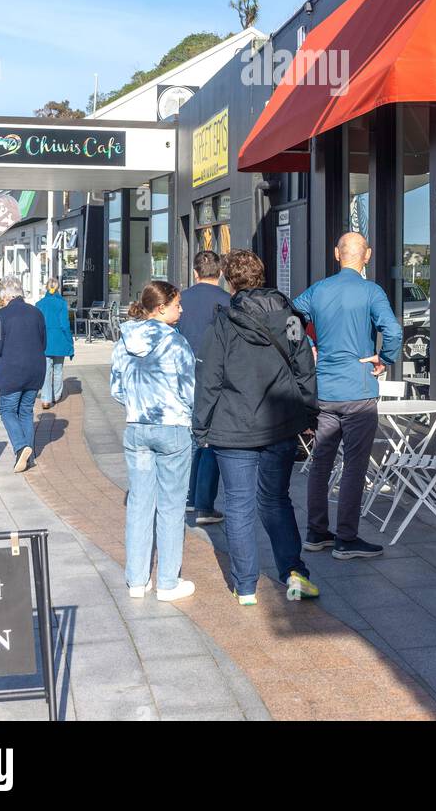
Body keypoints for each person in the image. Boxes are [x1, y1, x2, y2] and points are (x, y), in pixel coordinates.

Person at [193, 248, 318, 606]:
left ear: (229, 282)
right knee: (276, 499)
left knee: (238, 504)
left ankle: (246, 587)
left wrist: (201, 427)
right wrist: (309, 414)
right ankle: (295, 574)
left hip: (233, 427)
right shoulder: (290, 317)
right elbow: (305, 370)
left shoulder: (224, 322)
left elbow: (209, 378)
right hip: (279, 425)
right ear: (261, 277)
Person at [294, 232, 403, 560]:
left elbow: (289, 319)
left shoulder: (319, 290)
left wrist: (307, 348)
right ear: (366, 255)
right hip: (359, 390)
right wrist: (385, 358)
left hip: (325, 390)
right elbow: (394, 331)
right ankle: (346, 538)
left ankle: (316, 532)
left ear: (336, 254)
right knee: (355, 466)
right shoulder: (371, 292)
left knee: (321, 462)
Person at [110, 281, 195, 602]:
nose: (181, 310)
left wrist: (137, 403)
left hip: (137, 426)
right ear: (160, 308)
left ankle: (136, 579)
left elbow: (116, 389)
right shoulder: (177, 344)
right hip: (172, 426)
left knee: (139, 504)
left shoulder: (125, 340)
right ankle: (168, 582)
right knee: (172, 507)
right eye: (176, 305)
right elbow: (190, 390)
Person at [179, 250, 229, 525]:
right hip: (216, 380)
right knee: (209, 440)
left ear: (195, 272)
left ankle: (187, 496)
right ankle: (203, 503)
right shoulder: (229, 302)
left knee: (188, 438)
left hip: (184, 378)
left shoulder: (180, 301)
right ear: (220, 273)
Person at [0, 276, 47, 473]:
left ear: (5, 296)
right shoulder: (37, 313)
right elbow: (43, 343)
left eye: (2, 298)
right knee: (26, 411)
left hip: (11, 371)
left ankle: (21, 447)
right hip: (36, 370)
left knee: (7, 410)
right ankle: (29, 458)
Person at [35, 277, 75, 409]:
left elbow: (37, 325)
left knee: (47, 371)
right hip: (60, 341)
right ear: (58, 288)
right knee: (58, 370)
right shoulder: (62, 304)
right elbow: (65, 325)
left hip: (45, 342)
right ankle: (56, 396)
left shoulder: (39, 304)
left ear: (46, 287)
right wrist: (70, 342)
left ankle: (45, 399)